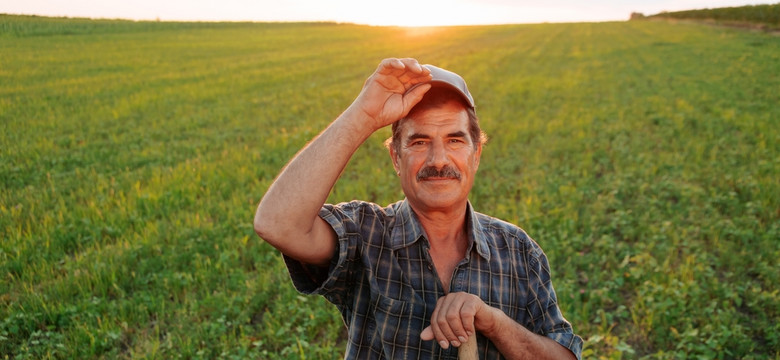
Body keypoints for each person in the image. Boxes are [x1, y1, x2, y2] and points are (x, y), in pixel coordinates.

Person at [254, 58, 582, 359]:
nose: (438, 160)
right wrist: (364, 116)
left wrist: (494, 323)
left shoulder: (518, 251)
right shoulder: (365, 234)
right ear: (396, 157)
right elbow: (278, 224)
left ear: (476, 155)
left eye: (455, 140)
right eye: (419, 142)